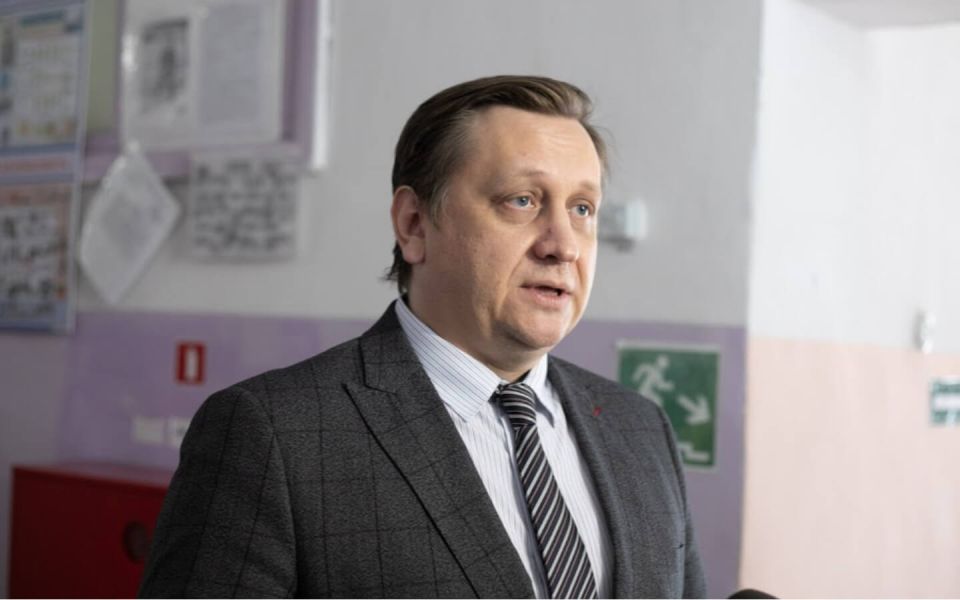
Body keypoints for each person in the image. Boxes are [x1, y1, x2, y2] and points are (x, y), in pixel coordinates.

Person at [139, 75, 706, 599]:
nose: (563, 244)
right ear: (414, 224)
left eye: (582, 208)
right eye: (522, 201)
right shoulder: (270, 435)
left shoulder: (641, 427)